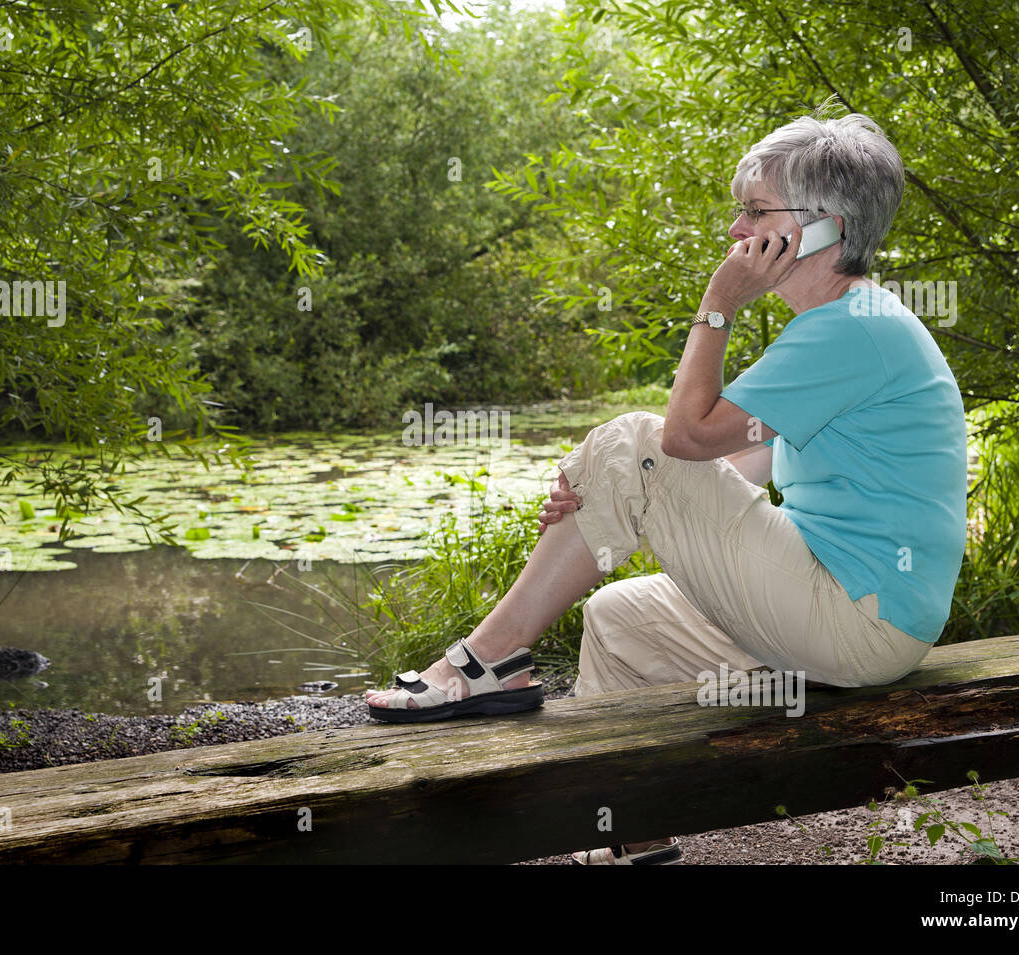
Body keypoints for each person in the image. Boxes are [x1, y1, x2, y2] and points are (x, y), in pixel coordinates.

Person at [365, 106, 969, 865]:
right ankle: (628, 838)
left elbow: (683, 438)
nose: (736, 231)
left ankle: (485, 662)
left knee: (635, 437)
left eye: (754, 211)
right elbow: (735, 465)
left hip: (860, 620)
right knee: (617, 617)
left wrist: (718, 302)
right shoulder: (849, 323)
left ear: (823, 226)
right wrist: (601, 492)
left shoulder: (855, 328)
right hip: (847, 609)